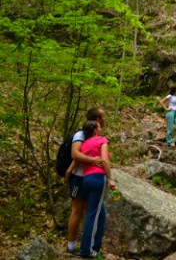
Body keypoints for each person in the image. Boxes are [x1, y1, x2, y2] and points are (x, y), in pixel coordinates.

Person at [63, 108, 105, 255]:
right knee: (77, 210)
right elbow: (75, 154)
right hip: (79, 178)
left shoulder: (94, 134)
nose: (105, 118)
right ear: (97, 120)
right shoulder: (80, 134)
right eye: (103, 116)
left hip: (89, 177)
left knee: (90, 212)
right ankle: (71, 246)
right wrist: (93, 160)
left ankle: (87, 247)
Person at [78, 119, 116, 258]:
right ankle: (87, 250)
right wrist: (110, 178)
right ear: (95, 129)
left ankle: (96, 246)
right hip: (98, 178)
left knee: (100, 213)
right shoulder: (101, 140)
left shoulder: (85, 144)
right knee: (92, 214)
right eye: (99, 127)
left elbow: (80, 160)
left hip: (86, 178)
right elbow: (105, 159)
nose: (101, 128)